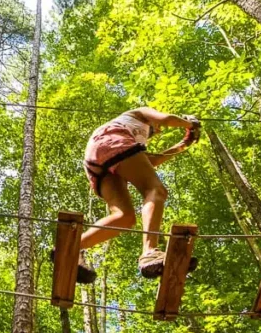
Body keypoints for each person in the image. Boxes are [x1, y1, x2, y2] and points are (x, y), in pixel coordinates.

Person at [79, 107, 201, 280]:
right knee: (155, 190)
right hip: (111, 142)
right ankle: (150, 251)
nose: (157, 130)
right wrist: (190, 124)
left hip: (97, 160)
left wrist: (183, 144)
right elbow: (166, 119)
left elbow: (151, 161)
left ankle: (73, 247)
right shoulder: (139, 114)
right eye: (156, 128)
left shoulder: (135, 142)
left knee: (124, 217)